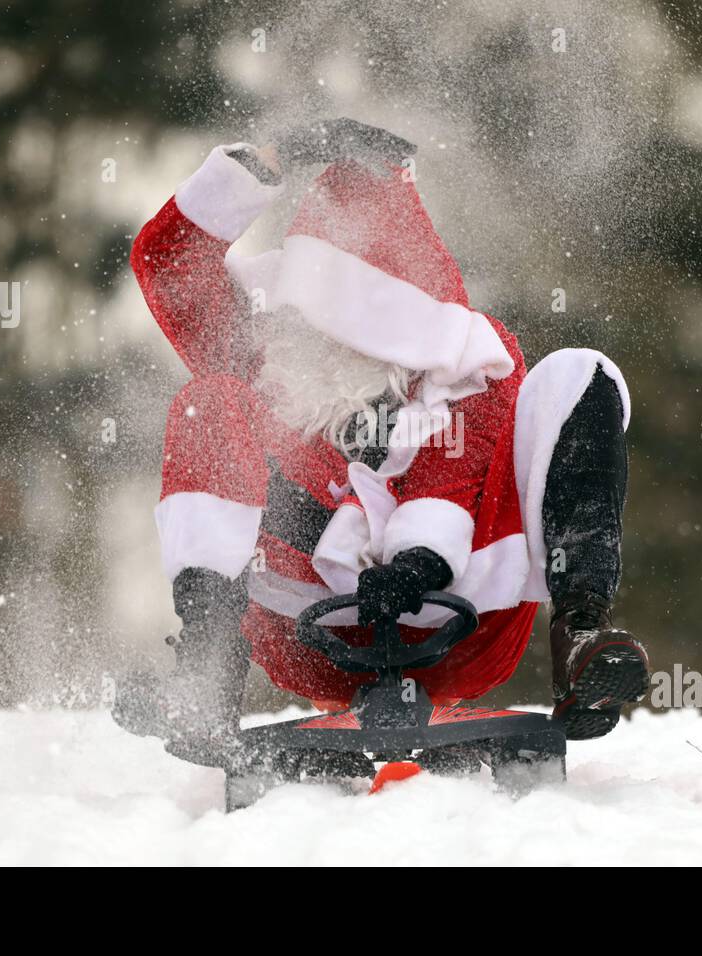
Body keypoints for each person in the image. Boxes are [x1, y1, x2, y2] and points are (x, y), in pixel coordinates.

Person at [114, 119, 647, 762]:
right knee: (209, 404)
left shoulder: (470, 365)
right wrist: (270, 160)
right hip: (305, 630)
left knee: (579, 375)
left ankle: (581, 634)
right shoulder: (259, 347)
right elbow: (167, 261)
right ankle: (204, 670)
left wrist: (418, 563)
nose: (325, 335)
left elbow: (451, 481)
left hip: (462, 620)